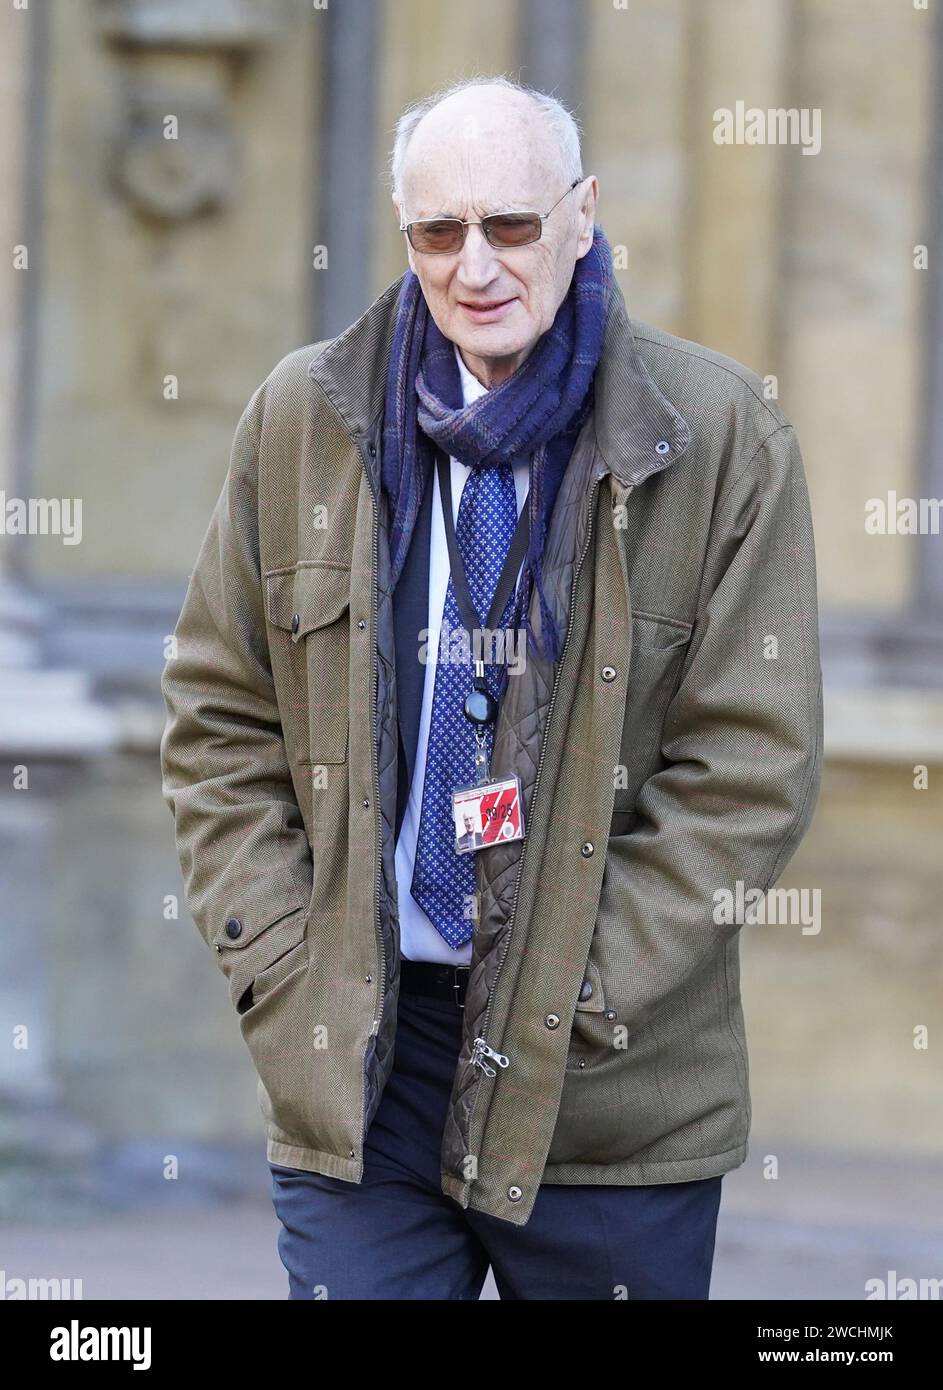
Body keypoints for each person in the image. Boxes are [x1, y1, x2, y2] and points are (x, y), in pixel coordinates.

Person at [159, 75, 823, 1300]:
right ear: (405, 235)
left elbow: (749, 769)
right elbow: (217, 720)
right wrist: (283, 961)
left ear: (582, 215)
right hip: (365, 1066)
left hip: (608, 1096)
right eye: (437, 232)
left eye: (512, 225)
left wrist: (577, 987)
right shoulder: (302, 417)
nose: (476, 265)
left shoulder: (721, 433)